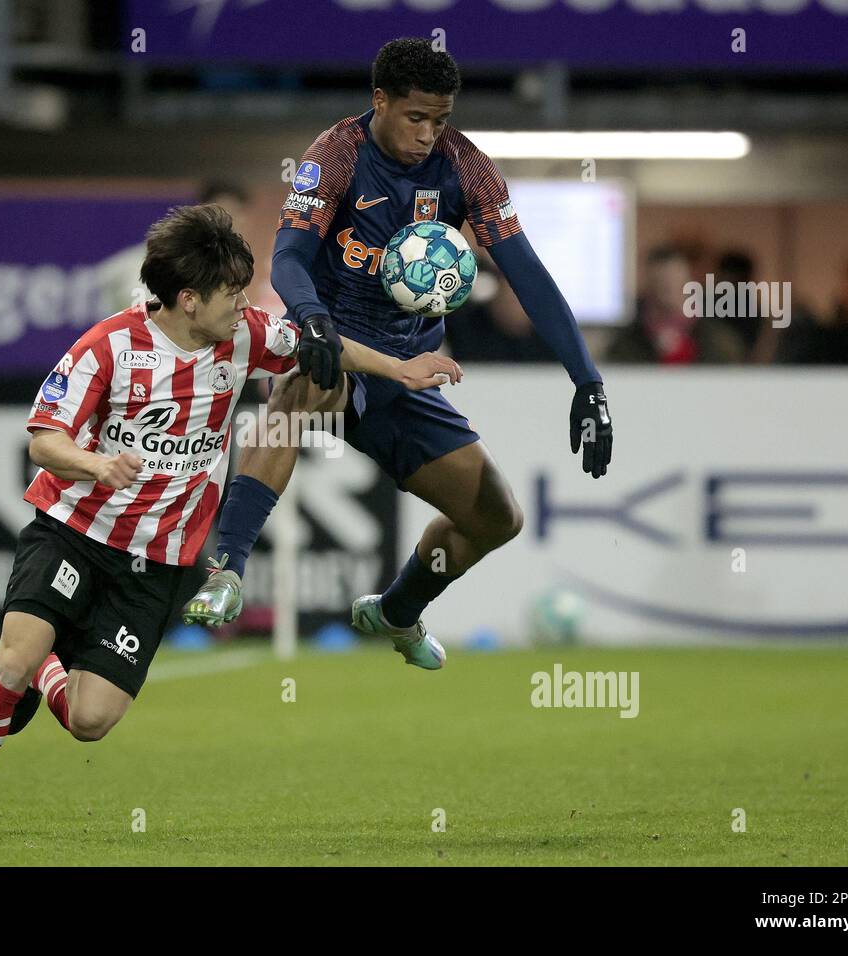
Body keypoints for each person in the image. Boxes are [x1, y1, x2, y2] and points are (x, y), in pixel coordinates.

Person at [0, 204, 460, 837]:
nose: (244, 302)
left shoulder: (248, 335)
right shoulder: (107, 348)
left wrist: (400, 368)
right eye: (232, 292)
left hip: (162, 560)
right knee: (11, 661)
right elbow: (42, 441)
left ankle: (49, 666)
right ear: (188, 299)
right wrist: (93, 464)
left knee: (90, 721)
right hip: (74, 530)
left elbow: (324, 347)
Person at [180, 38, 613, 669]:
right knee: (299, 392)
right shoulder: (335, 156)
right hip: (338, 348)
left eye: (441, 120)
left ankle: (396, 610)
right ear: (379, 100)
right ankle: (228, 569)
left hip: (409, 375)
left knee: (497, 517)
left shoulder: (467, 170)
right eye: (416, 118)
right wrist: (313, 321)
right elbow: (293, 257)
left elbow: (530, 277)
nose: (429, 134)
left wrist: (588, 380)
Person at [606, 245, 745, 365]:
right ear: (648, 286)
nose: (669, 292)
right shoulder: (625, 343)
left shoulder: (721, 341)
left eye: (676, 283)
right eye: (662, 285)